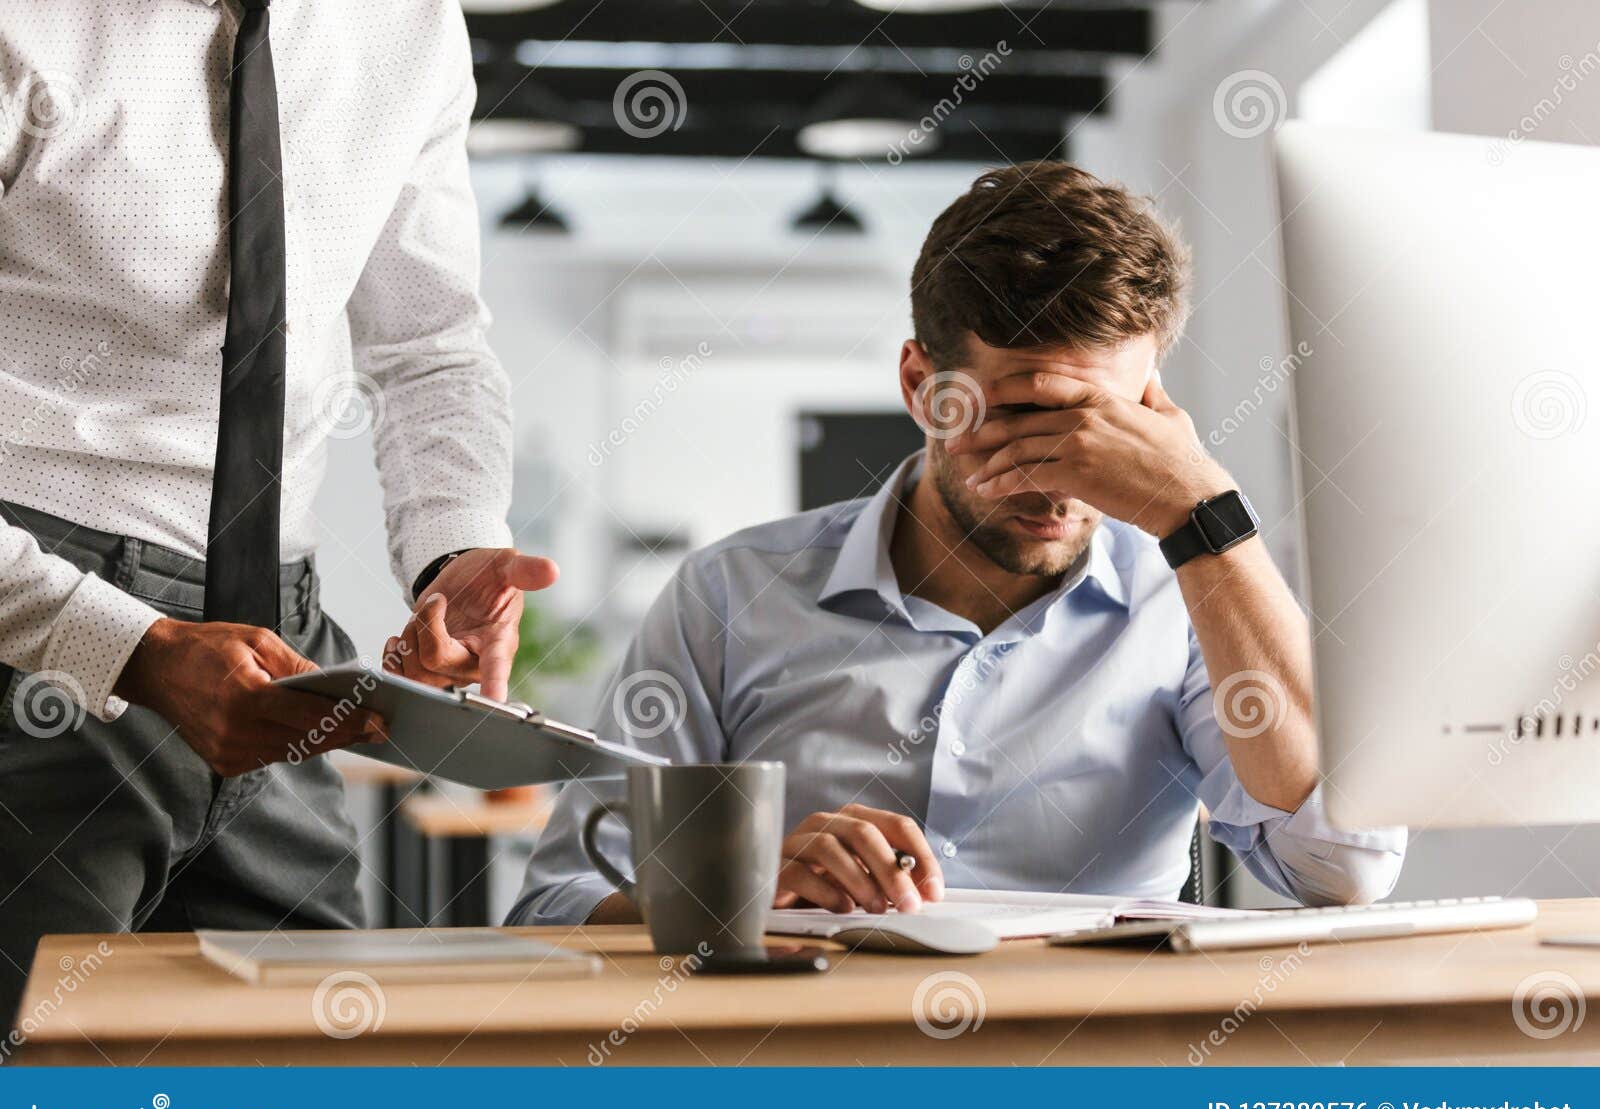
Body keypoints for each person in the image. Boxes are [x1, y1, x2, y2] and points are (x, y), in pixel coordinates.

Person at [512, 161, 1405, 926]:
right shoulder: (729, 594)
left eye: (1106, 424)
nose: (1062, 475)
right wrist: (735, 890)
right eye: (1019, 415)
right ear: (920, 384)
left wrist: (1206, 510)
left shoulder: (1189, 601)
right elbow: (556, 896)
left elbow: (1342, 865)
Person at [0, 1, 555, 1028]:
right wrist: (128, 645)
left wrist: (457, 545)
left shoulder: (410, 26)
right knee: (34, 1079)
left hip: (279, 639)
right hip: (40, 626)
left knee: (309, 1067)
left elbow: (429, 344)